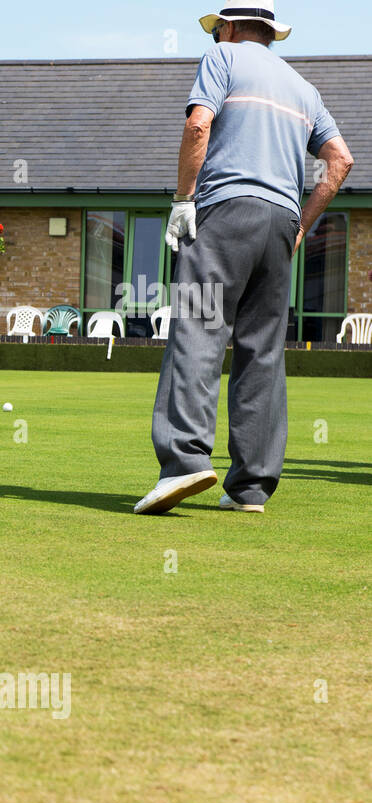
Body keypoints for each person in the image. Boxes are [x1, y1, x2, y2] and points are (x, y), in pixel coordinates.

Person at [134, 2, 353, 515]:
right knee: (263, 350)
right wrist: (300, 224)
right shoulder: (305, 88)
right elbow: (340, 159)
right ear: (271, 33)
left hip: (225, 211)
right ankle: (250, 489)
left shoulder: (223, 58)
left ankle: (184, 463)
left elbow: (197, 126)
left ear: (228, 28)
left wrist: (183, 201)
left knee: (197, 327)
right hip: (280, 221)